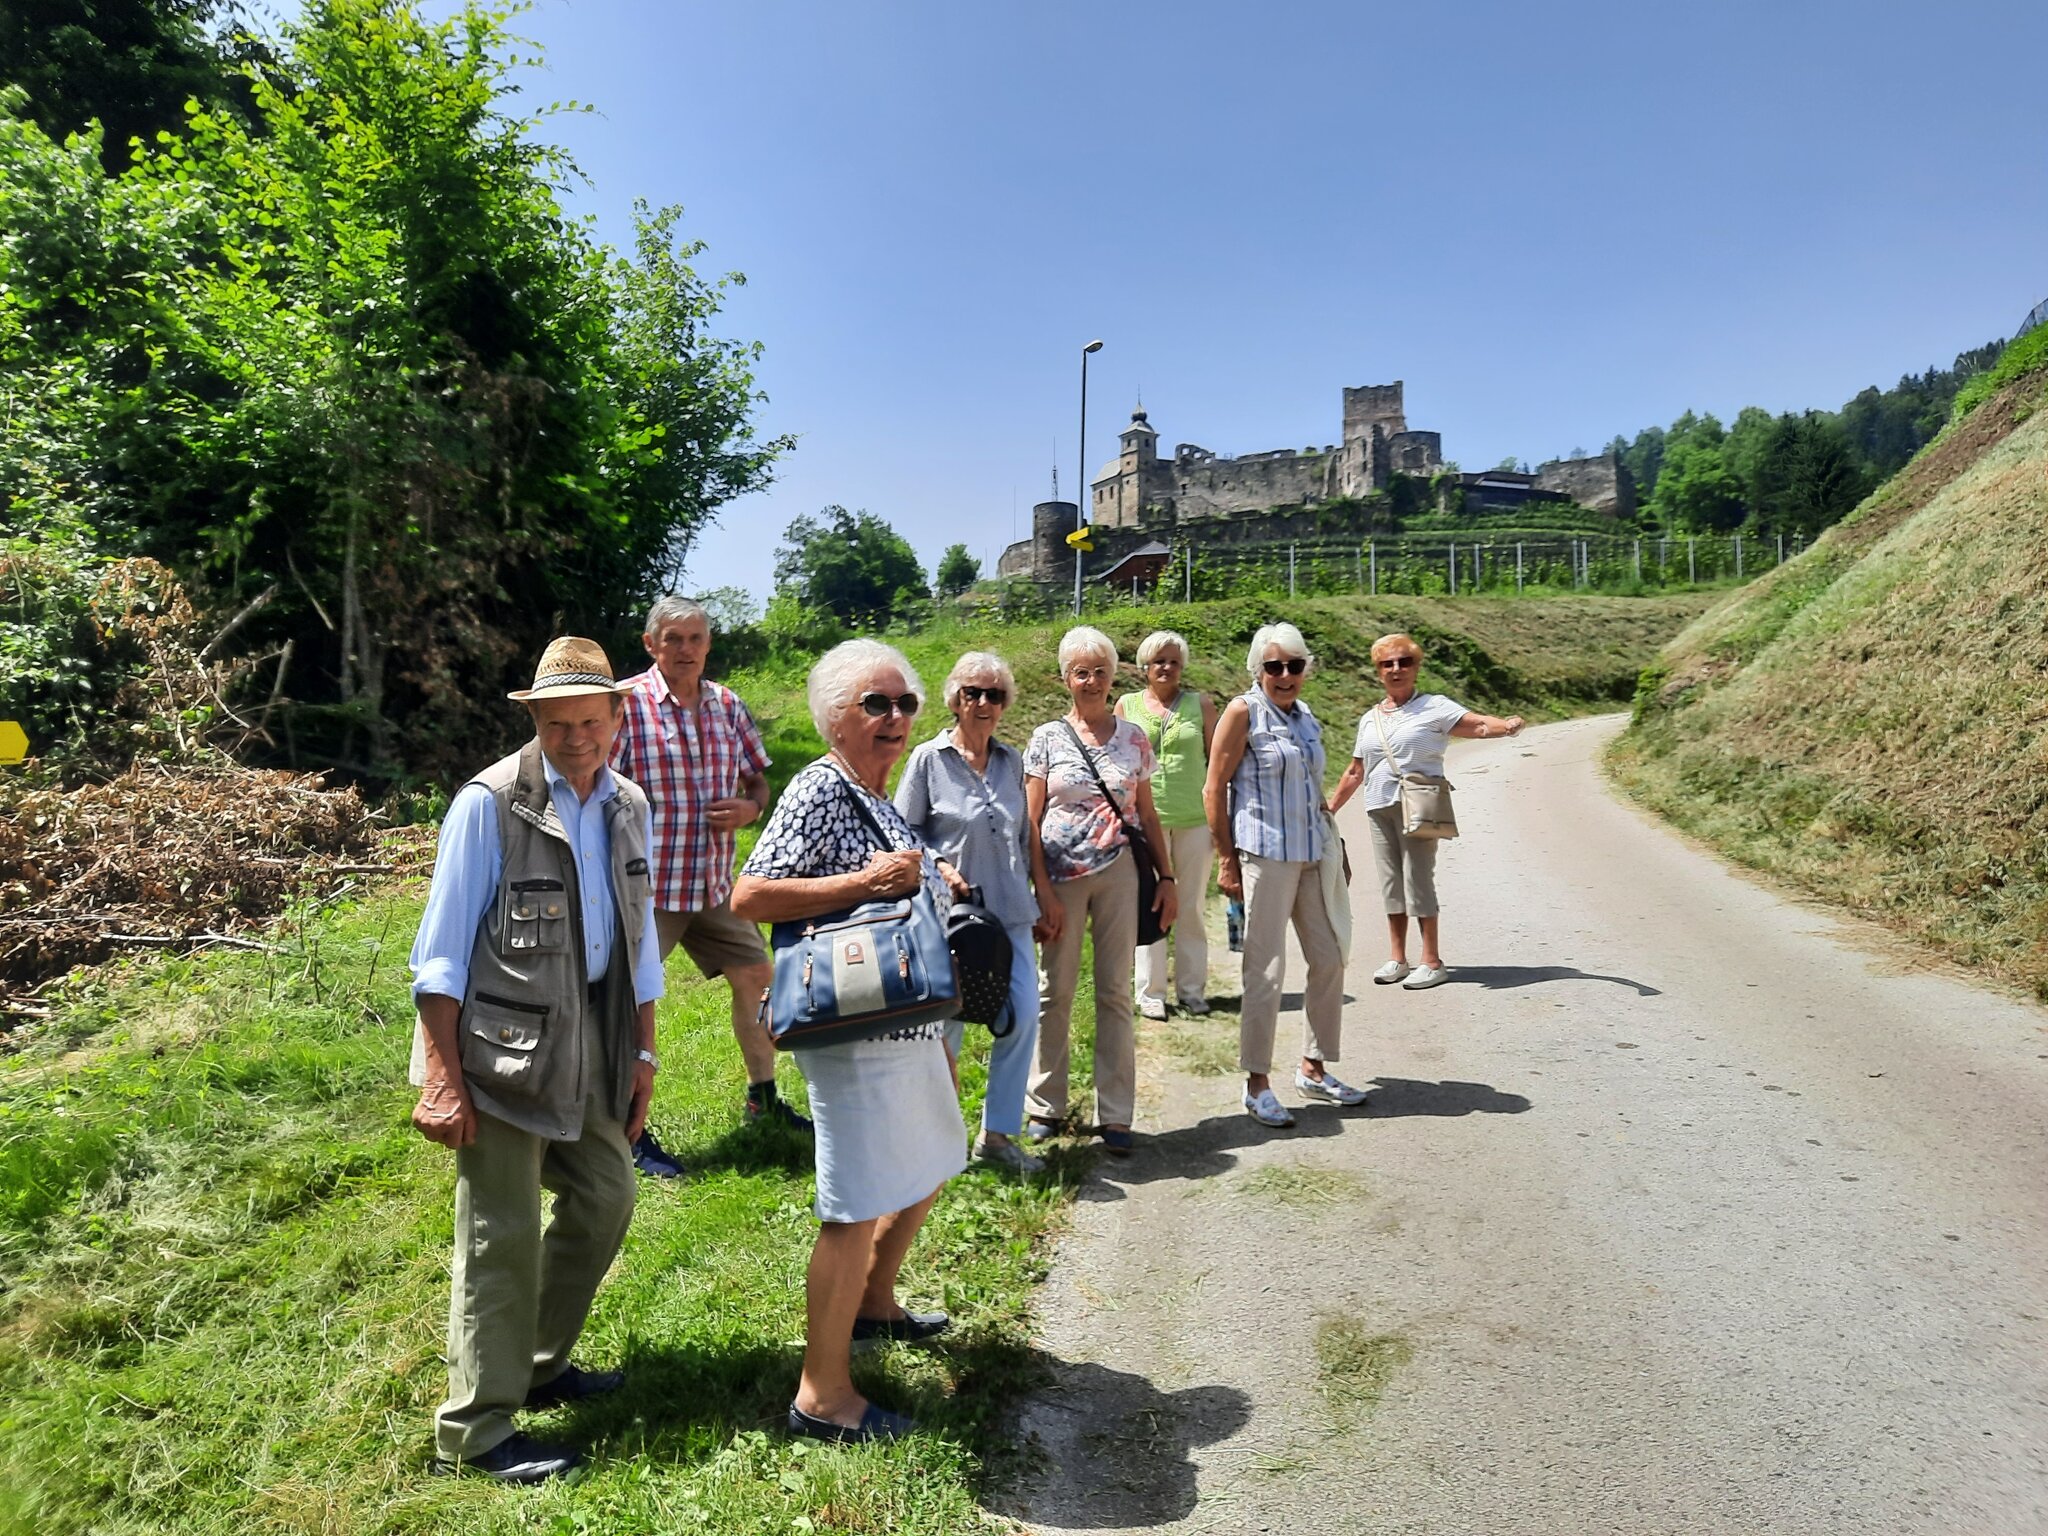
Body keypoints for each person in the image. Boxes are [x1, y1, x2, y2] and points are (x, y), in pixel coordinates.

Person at [407, 637, 665, 1483]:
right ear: (534, 720)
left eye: (591, 721)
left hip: (597, 1036)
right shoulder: (489, 804)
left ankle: (541, 1366)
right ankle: (476, 1434)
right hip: (499, 1053)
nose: (577, 739)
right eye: (559, 725)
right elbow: (439, 958)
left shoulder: (628, 803)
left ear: (618, 716)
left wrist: (645, 1054)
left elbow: (641, 943)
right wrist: (444, 1080)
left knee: (606, 1197)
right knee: (501, 1237)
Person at [729, 638, 972, 1444]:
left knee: (936, 1154)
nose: (897, 717)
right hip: (849, 1029)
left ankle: (876, 1300)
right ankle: (821, 1394)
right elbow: (752, 893)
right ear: (837, 718)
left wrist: (934, 874)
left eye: (906, 702)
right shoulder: (820, 786)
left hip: (899, 1019)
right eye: (877, 704)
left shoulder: (873, 790)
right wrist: (869, 883)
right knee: (855, 1199)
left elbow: (898, 872)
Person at [609, 596, 790, 1180]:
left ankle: (764, 1100)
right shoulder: (628, 707)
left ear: (708, 645)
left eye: (695, 639)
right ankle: (626, 1130)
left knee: (757, 979)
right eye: (673, 639)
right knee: (629, 1004)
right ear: (650, 644)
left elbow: (759, 782)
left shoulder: (728, 706)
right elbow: (596, 790)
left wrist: (749, 808)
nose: (685, 650)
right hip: (648, 890)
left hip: (713, 884)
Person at [896, 651, 1060, 1174]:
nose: (984, 703)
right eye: (973, 693)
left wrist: (1044, 896)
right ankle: (939, 1144)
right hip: (951, 916)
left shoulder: (1012, 762)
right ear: (955, 700)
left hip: (1010, 911)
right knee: (949, 1024)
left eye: (994, 695)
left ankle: (998, 1135)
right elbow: (903, 832)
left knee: (1021, 1015)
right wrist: (941, 867)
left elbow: (1023, 833)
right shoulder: (928, 759)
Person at [1024, 626, 1177, 1156]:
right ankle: (1046, 1104)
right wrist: (1038, 885)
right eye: (1080, 671)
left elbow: (1148, 814)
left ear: (1113, 677)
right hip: (1061, 879)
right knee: (1054, 992)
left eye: (1100, 671)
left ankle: (1115, 1114)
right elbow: (1031, 817)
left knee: (1115, 992)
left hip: (1120, 874)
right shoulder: (1046, 738)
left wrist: (1169, 877)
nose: (1090, 681)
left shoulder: (1134, 737)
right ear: (1066, 678)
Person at [1204, 622, 1363, 1128]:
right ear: (1258, 670)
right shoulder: (1242, 712)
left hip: (1313, 853)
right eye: (1274, 666)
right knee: (1266, 972)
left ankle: (1313, 1068)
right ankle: (1256, 1084)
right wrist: (1227, 861)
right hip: (1266, 856)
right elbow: (1214, 789)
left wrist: (1335, 842)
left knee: (1330, 956)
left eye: (1295, 665)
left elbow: (1314, 789)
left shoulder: (1307, 717)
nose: (1286, 674)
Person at [1328, 632, 1523, 990]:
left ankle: (1431, 960)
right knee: (1390, 881)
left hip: (1419, 801)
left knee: (1418, 878)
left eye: (1405, 661)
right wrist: (1329, 809)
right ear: (1378, 671)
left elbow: (1477, 724)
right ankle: (1398, 958)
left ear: (1417, 666)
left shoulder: (1434, 706)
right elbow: (1356, 769)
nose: (1396, 669)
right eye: (1388, 664)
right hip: (1378, 805)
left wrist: (1506, 726)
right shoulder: (1370, 719)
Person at [1116, 630, 1218, 1020]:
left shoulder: (1201, 704)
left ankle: (1192, 990)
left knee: (1190, 905)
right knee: (1150, 904)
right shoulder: (1126, 706)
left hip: (1194, 820)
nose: (1167, 667)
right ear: (1145, 665)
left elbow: (1218, 761)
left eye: (1174, 661)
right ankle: (1150, 992)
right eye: (1159, 660)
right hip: (1145, 823)